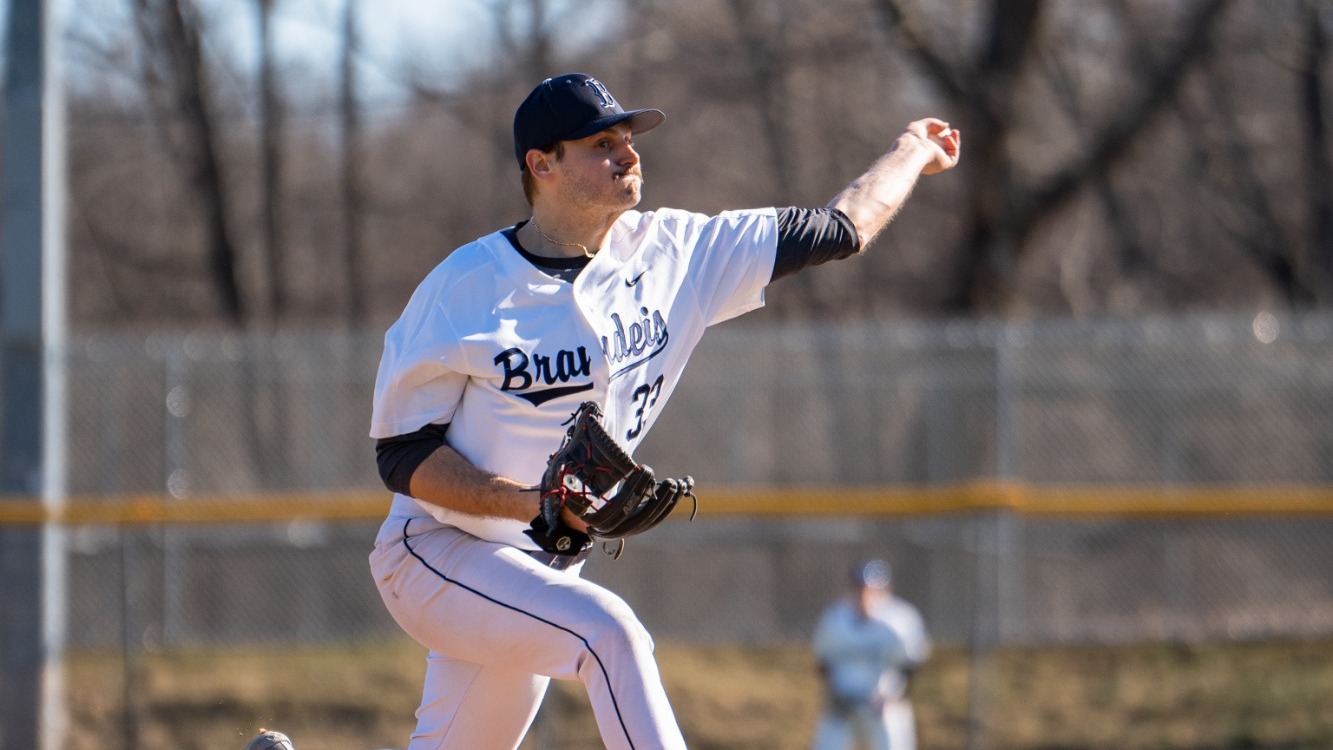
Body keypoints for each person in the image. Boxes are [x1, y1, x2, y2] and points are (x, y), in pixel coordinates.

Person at [365, 72, 960, 750]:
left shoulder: (677, 254)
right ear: (541, 164)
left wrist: (910, 149)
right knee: (609, 633)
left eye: (627, 137)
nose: (628, 153)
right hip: (439, 552)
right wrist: (529, 504)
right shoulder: (462, 289)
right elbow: (401, 454)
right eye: (600, 142)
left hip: (543, 566)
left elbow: (840, 227)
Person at [811, 560, 932, 750]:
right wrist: (833, 694)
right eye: (860, 588)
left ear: (886, 589)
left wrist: (895, 696)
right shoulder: (835, 618)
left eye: (872, 589)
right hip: (844, 705)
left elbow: (913, 663)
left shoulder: (900, 620)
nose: (865, 595)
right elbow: (822, 661)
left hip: (884, 707)